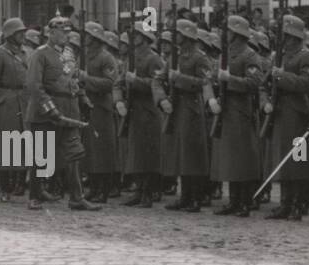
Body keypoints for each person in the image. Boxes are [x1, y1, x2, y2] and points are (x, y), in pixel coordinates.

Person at [24, 16, 100, 212]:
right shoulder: (40, 55)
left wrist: (82, 97)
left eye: (68, 32)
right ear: (51, 33)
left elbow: (72, 80)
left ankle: (76, 197)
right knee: (41, 155)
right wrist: (51, 109)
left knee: (73, 154)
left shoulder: (68, 53)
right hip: (45, 111)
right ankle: (35, 195)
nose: (67, 35)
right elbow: (34, 85)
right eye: (62, 32)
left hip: (69, 109)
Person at [263, 15, 309, 220]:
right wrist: (266, 101)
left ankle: (298, 204)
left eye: (286, 36)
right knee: (283, 162)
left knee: (298, 161)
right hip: (279, 112)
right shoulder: (278, 56)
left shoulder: (306, 56)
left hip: (298, 113)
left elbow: (308, 83)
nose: (284, 40)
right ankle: (285, 203)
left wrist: (282, 76)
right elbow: (264, 83)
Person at [212, 14, 265, 216]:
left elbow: (254, 83)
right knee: (230, 159)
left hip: (241, 109)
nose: (224, 34)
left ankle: (244, 201)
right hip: (226, 108)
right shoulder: (224, 54)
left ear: (236, 33)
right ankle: (234, 200)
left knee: (243, 160)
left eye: (228, 31)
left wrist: (230, 79)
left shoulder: (250, 55)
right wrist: (215, 96)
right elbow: (214, 80)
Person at [162, 19, 214, 212]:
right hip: (177, 107)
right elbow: (159, 78)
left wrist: (179, 79)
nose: (175, 37)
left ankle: (195, 198)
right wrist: (162, 99)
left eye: (178, 34)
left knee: (193, 156)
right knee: (181, 155)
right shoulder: (174, 57)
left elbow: (205, 82)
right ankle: (185, 196)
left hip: (192, 108)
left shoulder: (200, 57)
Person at [0, 18, 28, 201]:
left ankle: (19, 184)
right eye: (19, 32)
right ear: (10, 35)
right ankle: (4, 188)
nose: (23, 35)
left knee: (23, 146)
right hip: (6, 102)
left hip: (23, 102)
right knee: (5, 147)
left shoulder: (26, 54)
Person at [122, 23, 166, 208]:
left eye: (138, 34)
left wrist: (136, 81)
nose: (134, 37)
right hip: (134, 109)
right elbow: (120, 79)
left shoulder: (154, 59)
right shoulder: (132, 57)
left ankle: (148, 192)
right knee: (136, 154)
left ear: (145, 38)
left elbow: (158, 83)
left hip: (148, 109)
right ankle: (139, 190)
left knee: (148, 154)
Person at [80, 22, 122, 203]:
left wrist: (86, 79)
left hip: (101, 107)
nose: (85, 37)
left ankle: (103, 189)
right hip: (87, 105)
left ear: (95, 37)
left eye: (88, 34)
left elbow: (109, 83)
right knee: (90, 149)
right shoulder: (85, 56)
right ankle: (94, 186)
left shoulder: (106, 58)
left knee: (102, 151)